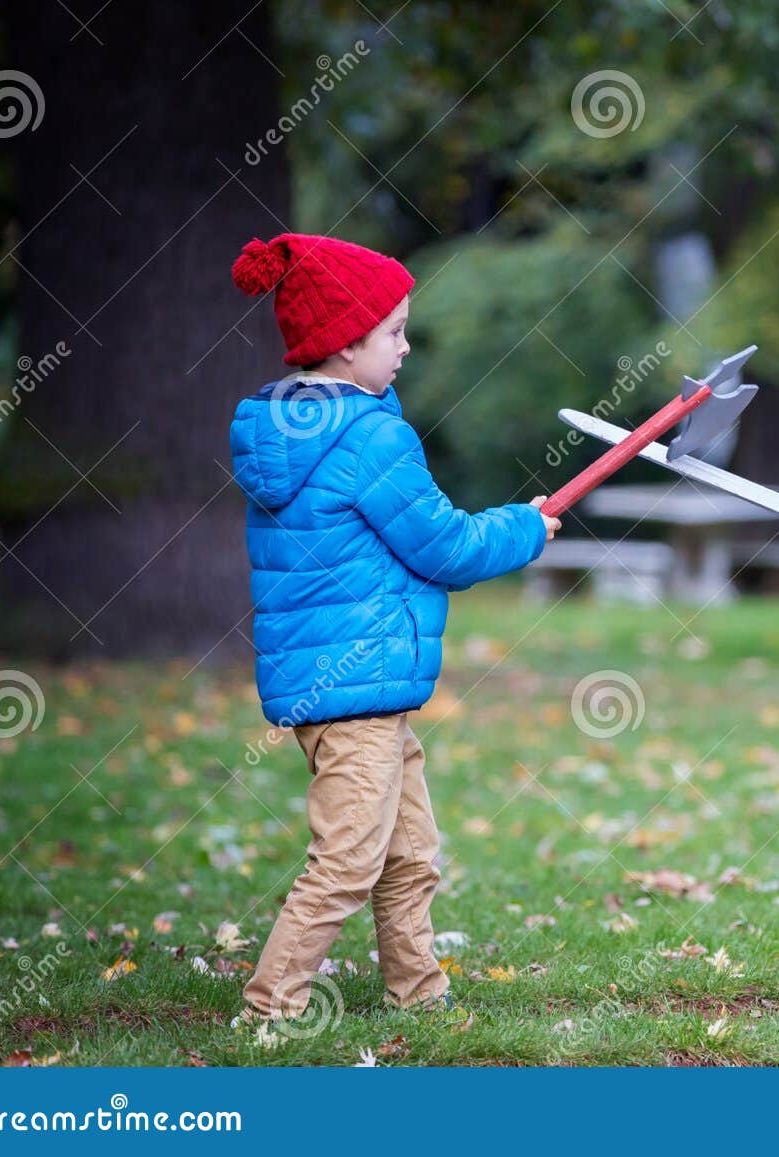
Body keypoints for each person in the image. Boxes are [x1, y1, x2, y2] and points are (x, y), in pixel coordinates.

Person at [225, 232, 559, 1026]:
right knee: (346, 861)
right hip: (358, 689)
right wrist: (526, 527)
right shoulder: (371, 438)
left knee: (409, 854)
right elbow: (444, 546)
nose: (407, 347)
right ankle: (270, 1009)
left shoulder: (295, 428)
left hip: (345, 686)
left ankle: (420, 990)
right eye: (394, 332)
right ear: (344, 346)